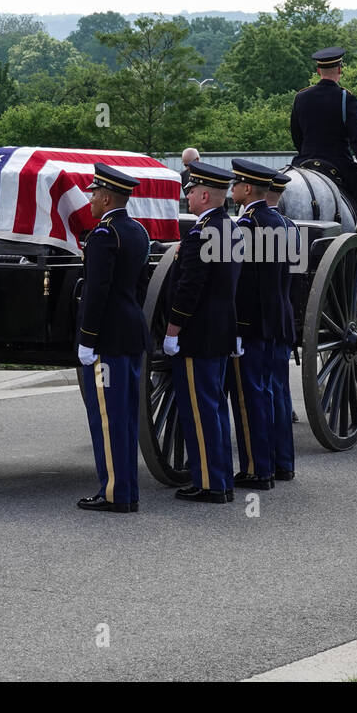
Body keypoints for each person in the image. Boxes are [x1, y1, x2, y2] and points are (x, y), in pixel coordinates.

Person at [164, 161, 241, 503]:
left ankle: (209, 484)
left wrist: (172, 329)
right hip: (221, 331)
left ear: (206, 195)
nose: (188, 195)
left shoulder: (199, 235)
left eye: (192, 190)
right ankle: (220, 479)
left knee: (200, 409)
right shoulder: (232, 230)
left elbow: (189, 289)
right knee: (214, 408)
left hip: (197, 335)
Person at [76, 163, 150, 513]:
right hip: (132, 334)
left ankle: (114, 493)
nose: (89, 198)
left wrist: (87, 339)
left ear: (106, 198)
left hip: (107, 340)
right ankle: (127, 489)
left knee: (106, 417)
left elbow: (96, 291)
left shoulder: (104, 235)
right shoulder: (137, 231)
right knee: (124, 416)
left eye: (93, 193)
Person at [225, 160, 292, 490]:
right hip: (274, 322)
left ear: (248, 189)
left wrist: (236, 327)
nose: (233, 189)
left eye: (236, 183)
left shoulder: (246, 227)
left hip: (249, 325)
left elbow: (240, 285)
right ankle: (280, 464)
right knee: (268, 393)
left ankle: (256, 469)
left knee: (249, 398)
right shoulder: (280, 222)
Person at [290, 46, 357, 212]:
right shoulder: (346, 98)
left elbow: (297, 136)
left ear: (318, 71)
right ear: (340, 69)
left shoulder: (300, 97)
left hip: (304, 162)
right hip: (338, 164)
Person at [266, 171, 302, 449]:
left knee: (262, 392)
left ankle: (263, 464)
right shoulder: (290, 227)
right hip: (284, 316)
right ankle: (283, 460)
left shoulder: (254, 226)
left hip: (260, 323)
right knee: (278, 388)